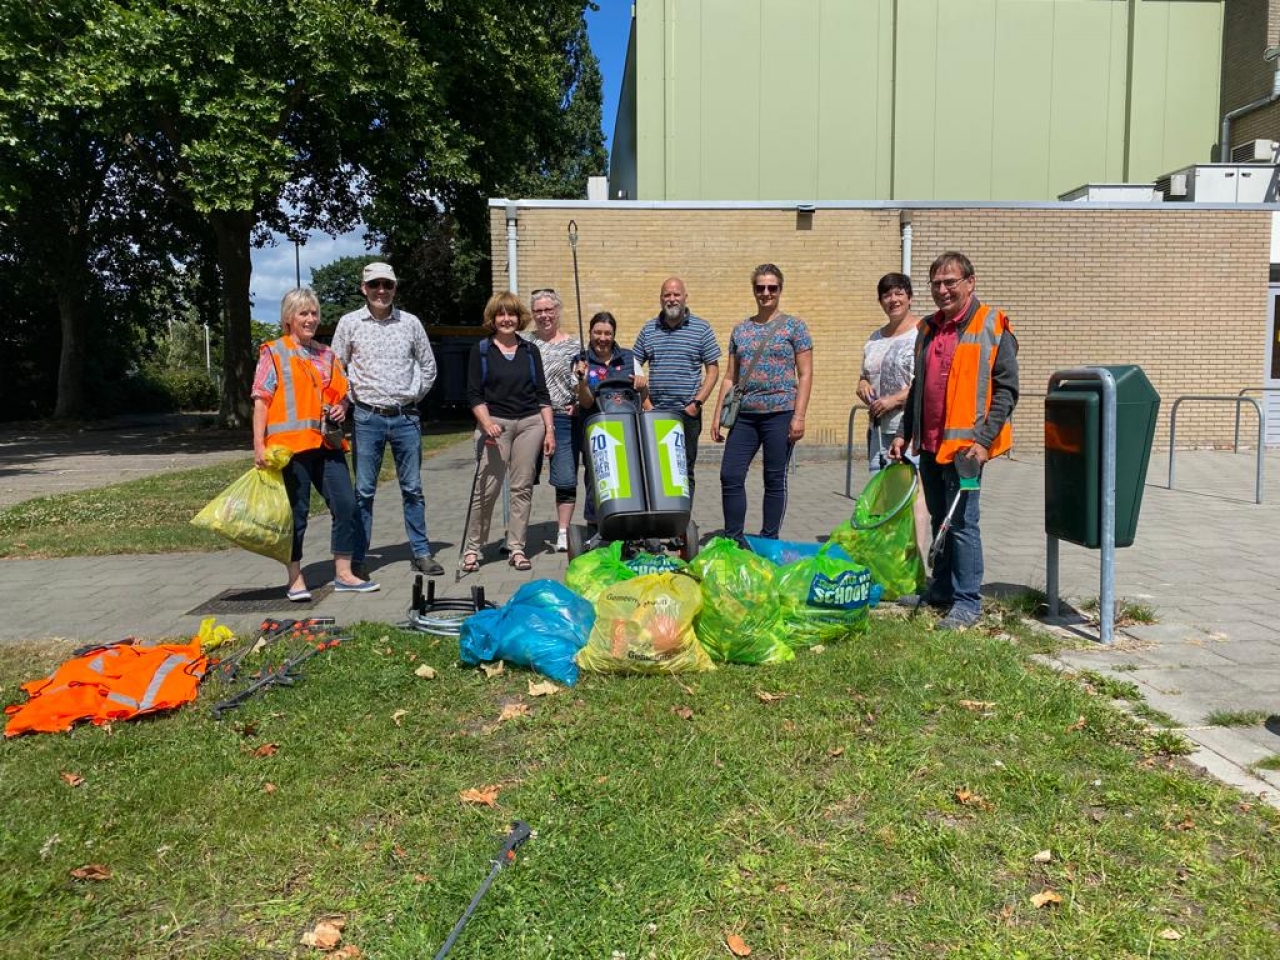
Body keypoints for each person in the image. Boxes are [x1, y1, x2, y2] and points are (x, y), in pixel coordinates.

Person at [889, 251, 1019, 631]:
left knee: (962, 523)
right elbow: (918, 389)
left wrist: (982, 442)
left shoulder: (992, 324)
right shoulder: (928, 328)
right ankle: (942, 589)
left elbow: (1007, 391)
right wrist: (903, 434)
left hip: (966, 451)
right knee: (938, 518)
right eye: (936, 283)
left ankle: (967, 602)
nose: (942, 290)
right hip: (929, 444)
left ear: (970, 282)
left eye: (950, 282)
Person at [251, 288, 378, 600]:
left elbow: (343, 392)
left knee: (347, 505)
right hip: (290, 449)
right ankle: (295, 579)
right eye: (303, 313)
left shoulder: (326, 354)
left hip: (327, 445)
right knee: (297, 514)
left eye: (314, 313)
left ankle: (344, 574)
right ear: (288, 318)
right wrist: (258, 447)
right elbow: (261, 401)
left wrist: (343, 407)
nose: (310, 319)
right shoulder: (274, 353)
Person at [331, 262, 442, 579]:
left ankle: (421, 553)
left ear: (395, 288)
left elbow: (428, 366)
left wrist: (412, 396)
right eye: (375, 284)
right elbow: (336, 368)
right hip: (367, 417)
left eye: (388, 285)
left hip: (406, 417)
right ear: (364, 288)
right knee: (364, 491)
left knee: (413, 489)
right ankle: (359, 558)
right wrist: (350, 399)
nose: (382, 290)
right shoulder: (350, 323)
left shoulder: (410, 323)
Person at [711, 263, 813, 545]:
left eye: (772, 288)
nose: (766, 293)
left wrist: (799, 416)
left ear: (780, 290)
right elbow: (730, 376)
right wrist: (718, 414)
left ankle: (770, 540)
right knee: (730, 474)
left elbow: (805, 374)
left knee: (774, 478)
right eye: (760, 288)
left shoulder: (795, 327)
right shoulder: (741, 329)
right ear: (753, 290)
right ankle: (734, 539)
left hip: (781, 413)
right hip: (745, 415)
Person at [462, 291, 555, 573]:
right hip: (495, 425)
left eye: (511, 314)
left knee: (522, 488)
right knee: (485, 490)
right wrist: (486, 422)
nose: (506, 319)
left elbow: (542, 393)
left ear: (519, 318)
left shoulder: (530, 350)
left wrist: (549, 430)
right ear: (493, 318)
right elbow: (474, 394)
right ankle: (472, 549)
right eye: (501, 314)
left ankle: (516, 547)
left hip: (530, 424)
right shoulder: (480, 350)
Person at [857, 272, 932, 560]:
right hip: (879, 428)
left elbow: (924, 382)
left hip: (910, 424)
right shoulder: (875, 338)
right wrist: (863, 386)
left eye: (899, 293)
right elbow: (864, 376)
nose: (893, 299)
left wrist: (893, 400)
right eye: (887, 295)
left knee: (914, 490)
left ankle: (915, 557)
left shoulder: (922, 332)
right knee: (884, 492)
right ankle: (889, 557)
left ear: (910, 297)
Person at [632, 277, 720, 502]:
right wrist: (647, 405)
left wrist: (697, 403)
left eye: (676, 294)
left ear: (685, 297)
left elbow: (713, 370)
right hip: (655, 413)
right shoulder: (648, 329)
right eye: (667, 295)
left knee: (684, 470)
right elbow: (633, 366)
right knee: (656, 468)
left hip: (687, 413)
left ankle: (680, 524)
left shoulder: (701, 328)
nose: (672, 299)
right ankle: (659, 518)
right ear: (661, 299)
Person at [528, 289, 583, 552]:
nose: (544, 315)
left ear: (558, 311)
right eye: (538, 311)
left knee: (565, 476)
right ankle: (517, 534)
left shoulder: (575, 346)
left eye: (548, 310)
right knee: (523, 477)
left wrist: (578, 404)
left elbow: (582, 382)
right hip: (530, 417)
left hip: (562, 416)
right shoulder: (525, 343)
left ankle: (563, 532)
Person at [573, 311, 641, 525]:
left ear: (614, 335)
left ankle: (631, 523)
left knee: (630, 476)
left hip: (628, 430)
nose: (602, 338)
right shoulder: (580, 361)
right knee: (597, 479)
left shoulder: (629, 358)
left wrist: (642, 384)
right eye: (597, 332)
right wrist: (582, 381)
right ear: (590, 333)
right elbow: (585, 402)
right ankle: (596, 525)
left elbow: (643, 396)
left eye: (607, 333)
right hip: (597, 433)